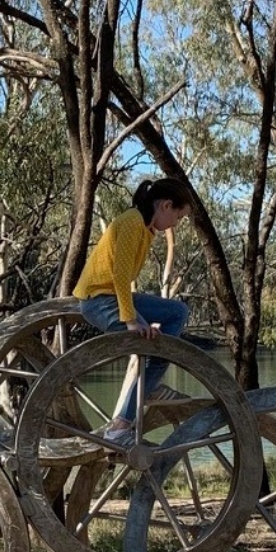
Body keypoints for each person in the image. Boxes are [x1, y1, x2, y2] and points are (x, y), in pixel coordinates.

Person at [73, 176, 194, 447]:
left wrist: (136, 317)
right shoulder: (131, 222)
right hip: (99, 300)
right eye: (179, 216)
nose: (176, 224)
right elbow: (120, 277)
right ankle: (119, 427)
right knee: (150, 343)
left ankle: (150, 386)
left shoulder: (145, 229)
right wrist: (131, 321)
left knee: (176, 312)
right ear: (166, 205)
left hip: (114, 296)